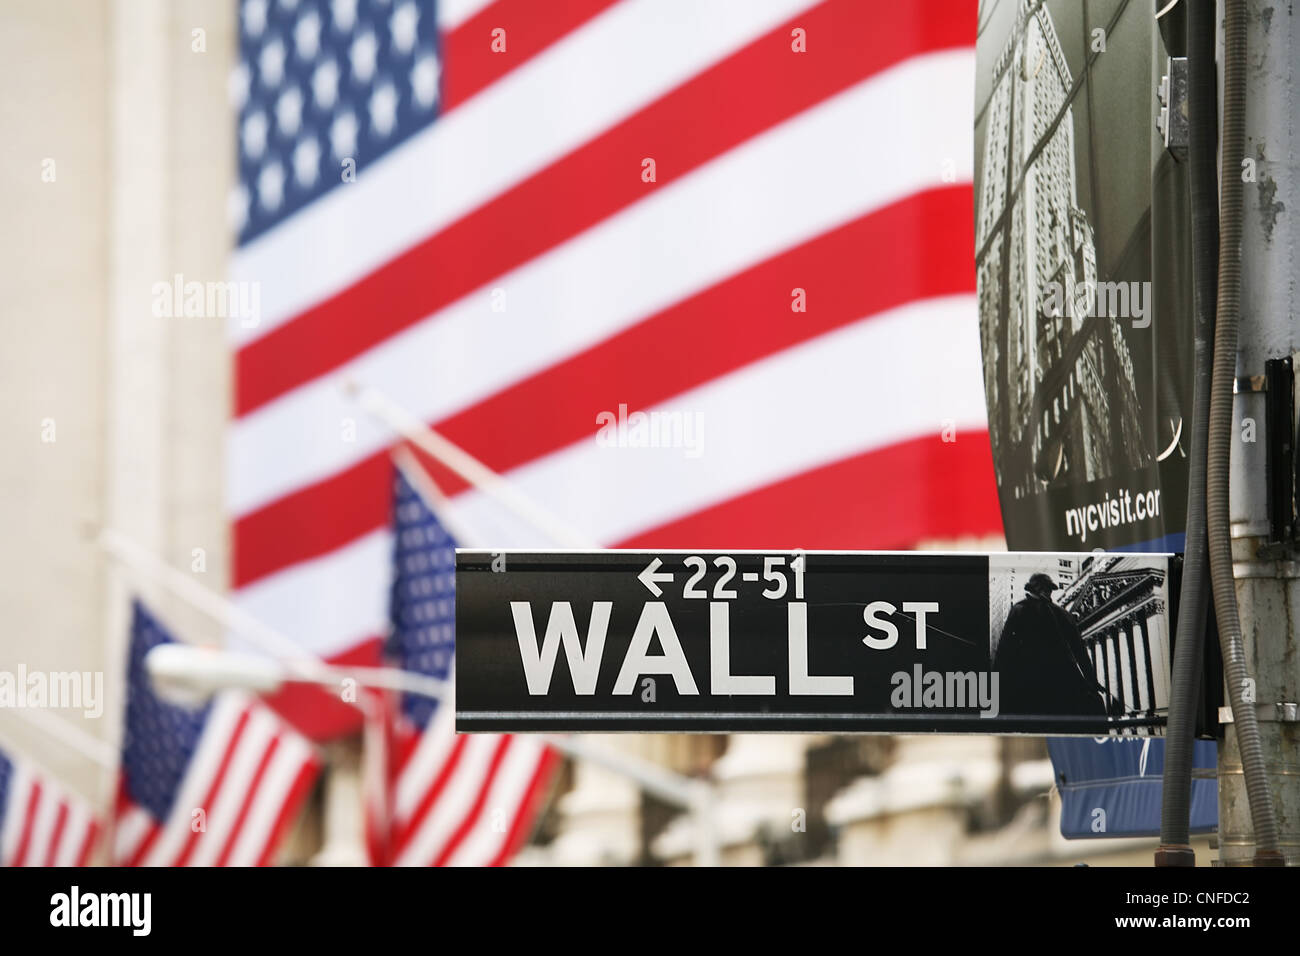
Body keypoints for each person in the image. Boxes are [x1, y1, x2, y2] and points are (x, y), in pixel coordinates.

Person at [993, 573, 1122, 718]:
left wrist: (998, 679)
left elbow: (1005, 648)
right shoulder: (1062, 614)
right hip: (1062, 679)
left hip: (1031, 680)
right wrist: (1091, 680)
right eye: (1045, 588)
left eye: (1047, 588)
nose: (1047, 591)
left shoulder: (1020, 609)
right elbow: (1080, 651)